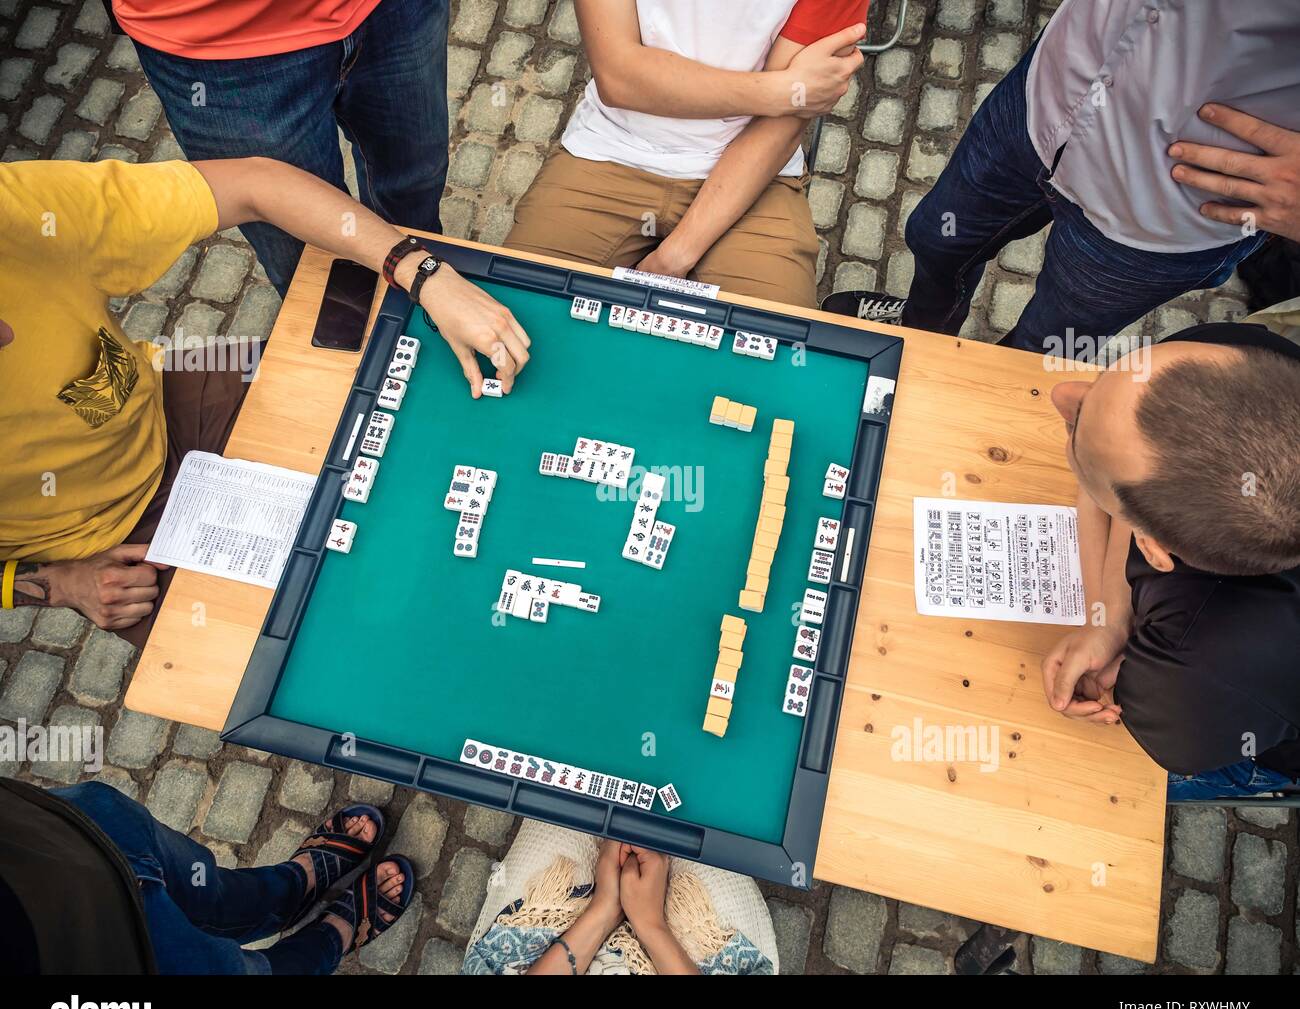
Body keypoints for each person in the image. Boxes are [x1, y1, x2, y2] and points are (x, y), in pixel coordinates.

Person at [0, 157, 531, 646]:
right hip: (117, 544)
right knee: (361, 635)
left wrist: (424, 274)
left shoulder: (16, 208)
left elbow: (255, 184)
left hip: (169, 396)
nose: (8, 333)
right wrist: (57, 584)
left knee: (430, 414)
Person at [821, 0, 1300, 346]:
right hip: (1049, 92)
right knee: (936, 238)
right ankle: (919, 333)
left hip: (1167, 207)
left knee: (1048, 343)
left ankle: (976, 408)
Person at [1039, 321, 1300, 800]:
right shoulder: (1241, 349)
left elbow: (1122, 498)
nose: (1062, 392)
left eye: (1075, 426)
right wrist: (1108, 618)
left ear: (1154, 549)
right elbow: (1131, 495)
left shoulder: (1185, 681)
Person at [504, 0, 870, 309]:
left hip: (753, 179)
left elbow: (785, 122)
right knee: (516, 313)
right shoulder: (781, 92)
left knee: (771, 365)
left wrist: (676, 255)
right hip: (610, 150)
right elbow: (620, 78)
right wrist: (780, 92)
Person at [111, 0, 451, 295]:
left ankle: (432, 300)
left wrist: (424, 276)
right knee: (315, 268)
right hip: (216, 45)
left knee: (416, 183)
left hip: (394, 10)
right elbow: (256, 192)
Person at [0, 778, 413, 974]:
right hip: (96, 966)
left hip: (59, 827)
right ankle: (333, 936)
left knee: (204, 889)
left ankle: (288, 891)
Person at [462, 820, 778, 974]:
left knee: (568, 788)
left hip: (539, 955)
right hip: (699, 963)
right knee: (708, 820)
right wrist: (650, 925)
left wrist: (603, 911)